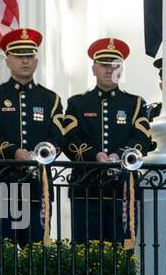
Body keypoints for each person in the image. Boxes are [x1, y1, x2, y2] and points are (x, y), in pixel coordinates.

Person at [0, 27, 66, 242]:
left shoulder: (50, 99)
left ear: (36, 61)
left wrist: (43, 154)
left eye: (29, 56)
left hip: (37, 187)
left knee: (36, 251)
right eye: (19, 56)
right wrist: (13, 152)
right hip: (1, 185)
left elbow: (58, 136)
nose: (25, 61)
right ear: (7, 61)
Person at [60, 37, 153, 243]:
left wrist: (118, 155)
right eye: (104, 65)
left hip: (122, 188)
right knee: (85, 251)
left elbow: (143, 138)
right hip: (86, 187)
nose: (110, 69)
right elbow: (69, 138)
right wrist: (95, 155)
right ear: (94, 69)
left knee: (122, 250)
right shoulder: (78, 103)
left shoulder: (135, 104)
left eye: (115, 65)